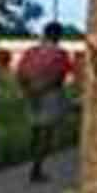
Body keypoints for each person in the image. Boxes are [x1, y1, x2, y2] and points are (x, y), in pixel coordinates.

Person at [15, 22, 74, 184]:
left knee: (35, 129)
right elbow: (60, 77)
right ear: (58, 36)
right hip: (50, 95)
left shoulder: (31, 52)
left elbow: (20, 73)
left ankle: (30, 159)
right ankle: (36, 169)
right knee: (47, 134)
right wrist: (43, 88)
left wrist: (28, 90)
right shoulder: (60, 54)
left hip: (31, 94)